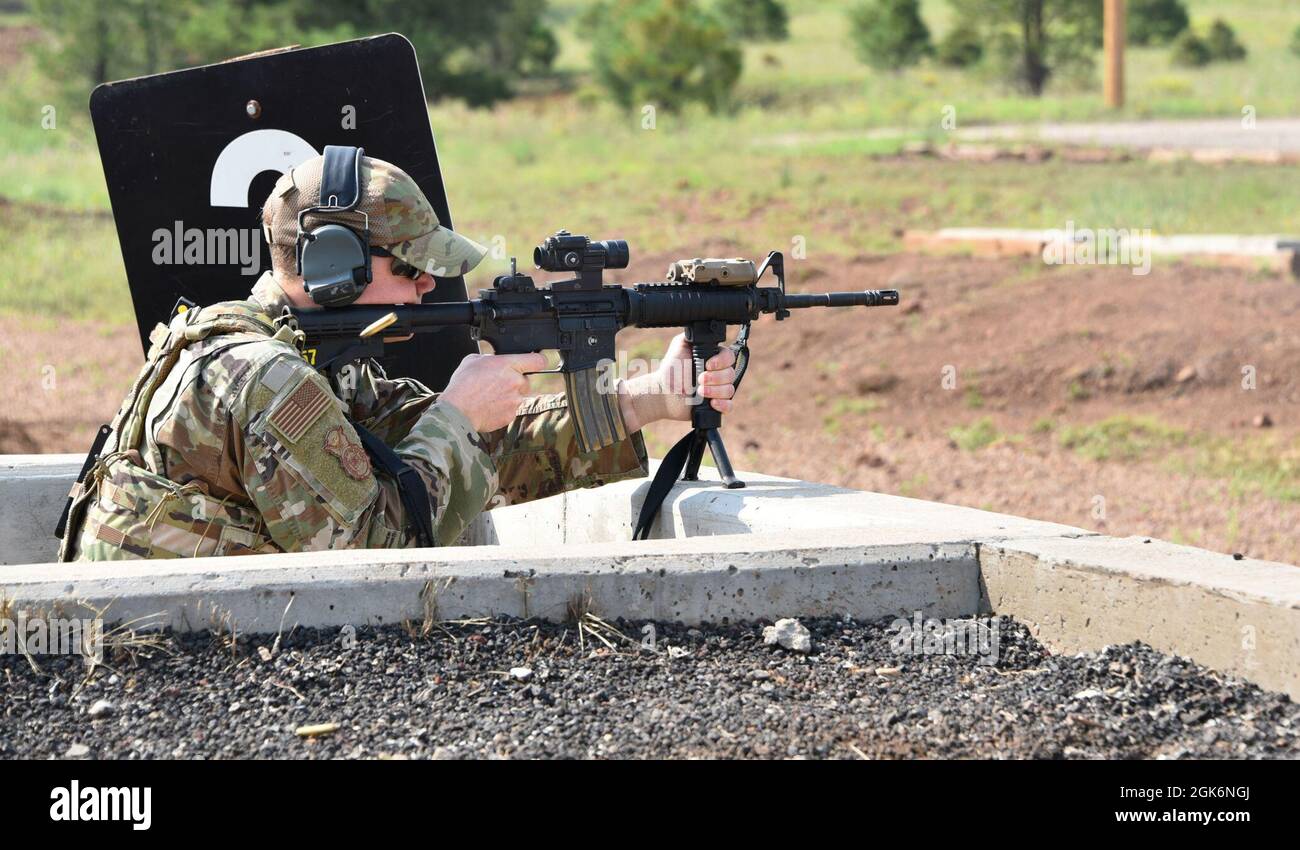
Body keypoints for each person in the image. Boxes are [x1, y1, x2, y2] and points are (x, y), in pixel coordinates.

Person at [59, 152, 737, 560]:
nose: (425, 286)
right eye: (410, 267)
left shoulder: (316, 357)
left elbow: (462, 462)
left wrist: (652, 397)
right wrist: (456, 418)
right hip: (155, 657)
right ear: (335, 266)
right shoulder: (262, 377)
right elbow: (374, 554)